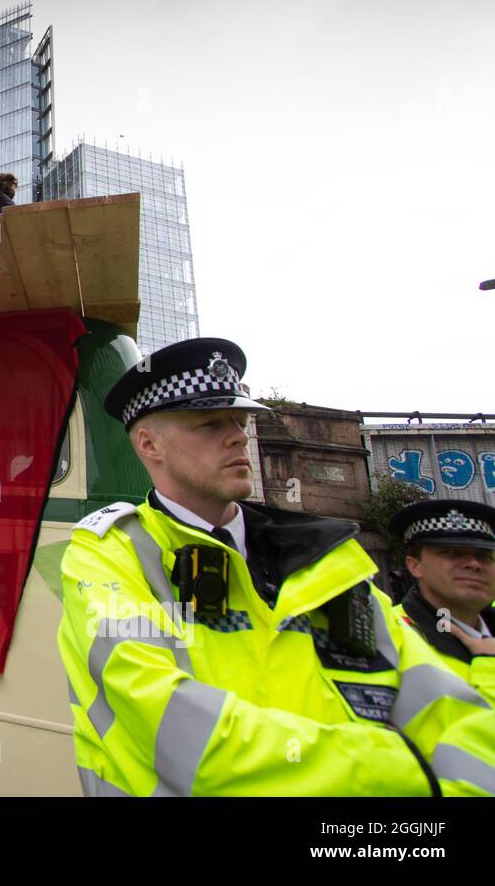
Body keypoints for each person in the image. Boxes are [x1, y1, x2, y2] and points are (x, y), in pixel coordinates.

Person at [57, 337, 495, 796]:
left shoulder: (330, 561)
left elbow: (452, 718)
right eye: (210, 424)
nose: (237, 436)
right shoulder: (112, 553)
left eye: (239, 419)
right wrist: (386, 773)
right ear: (149, 444)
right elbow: (168, 721)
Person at [391, 500, 495, 699]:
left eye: (484, 556)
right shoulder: (388, 633)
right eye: (452, 553)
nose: (473, 564)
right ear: (415, 566)